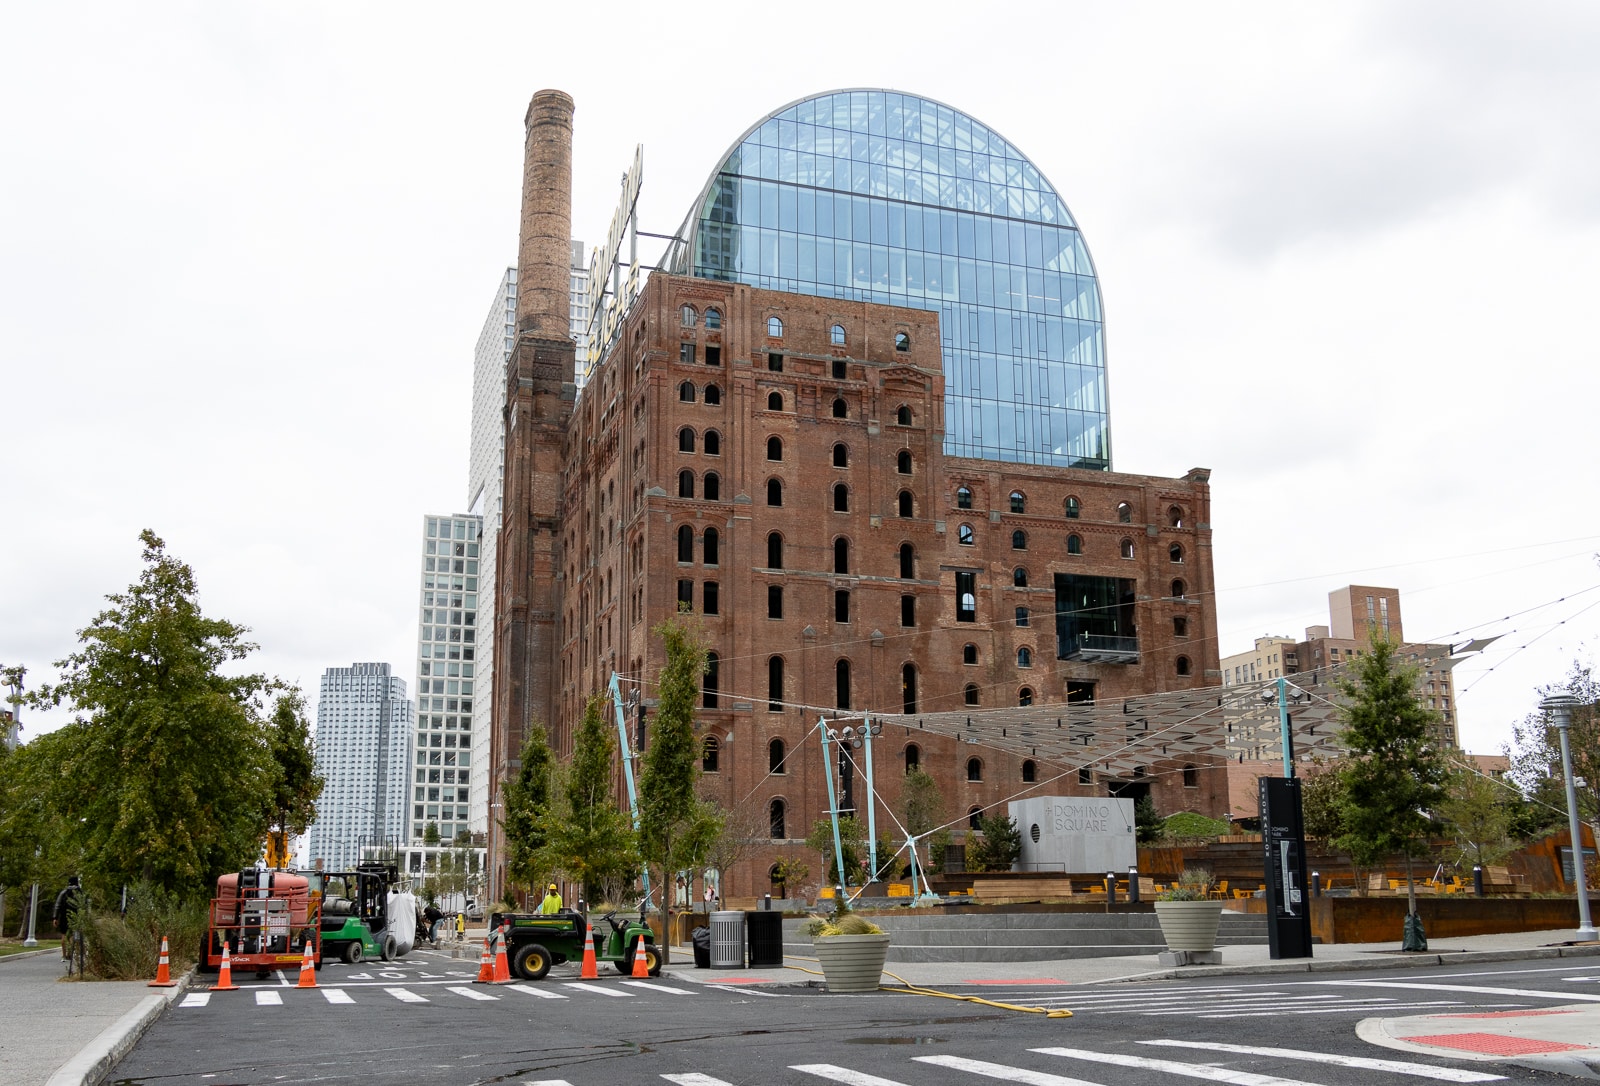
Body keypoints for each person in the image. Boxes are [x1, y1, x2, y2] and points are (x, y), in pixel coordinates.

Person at [53, 876, 81, 960]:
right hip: (76, 916)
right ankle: (70, 953)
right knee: (72, 935)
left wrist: (55, 917)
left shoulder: (63, 892)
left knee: (64, 935)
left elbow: (57, 905)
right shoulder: (80, 892)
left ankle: (64, 955)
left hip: (64, 916)